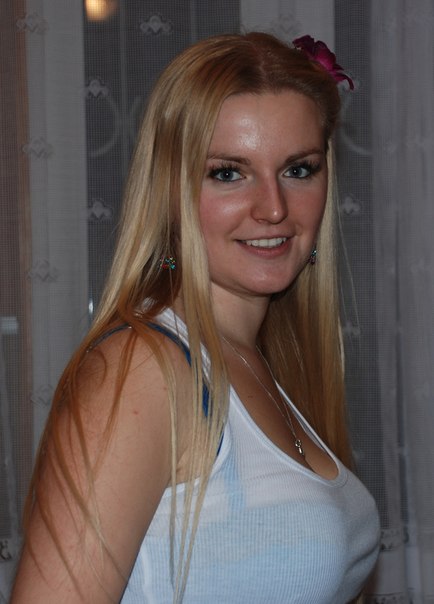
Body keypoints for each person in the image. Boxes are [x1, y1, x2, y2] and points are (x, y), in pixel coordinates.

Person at [11, 32, 380, 603]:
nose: (274, 207)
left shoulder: (259, 362)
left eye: (298, 169)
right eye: (228, 172)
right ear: (170, 190)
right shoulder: (143, 368)